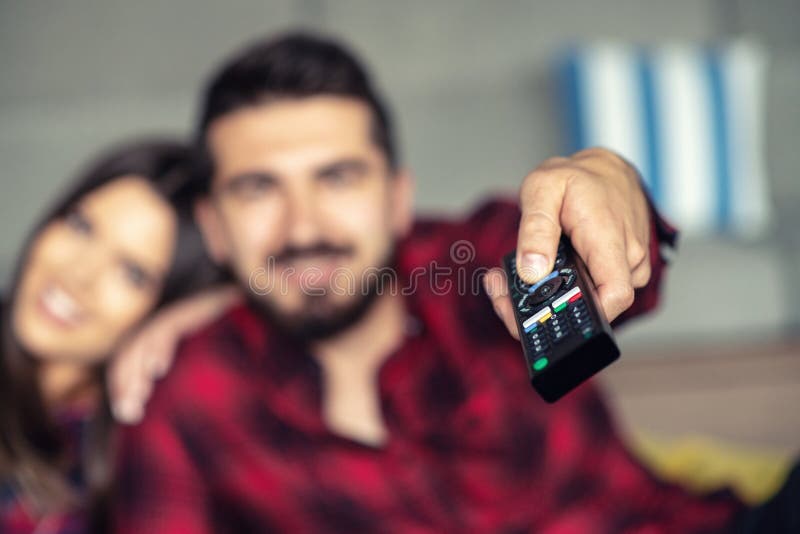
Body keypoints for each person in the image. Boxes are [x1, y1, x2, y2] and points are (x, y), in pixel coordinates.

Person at [112, 33, 758, 533]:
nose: (302, 225)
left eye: (337, 177)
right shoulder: (186, 393)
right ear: (214, 227)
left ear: (398, 199)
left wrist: (607, 182)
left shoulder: (468, 261)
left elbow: (596, 260)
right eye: (258, 189)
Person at [0, 140, 239, 533]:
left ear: (171, 306)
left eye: (132, 273)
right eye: (82, 226)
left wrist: (220, 303)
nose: (79, 275)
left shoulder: (143, 455)